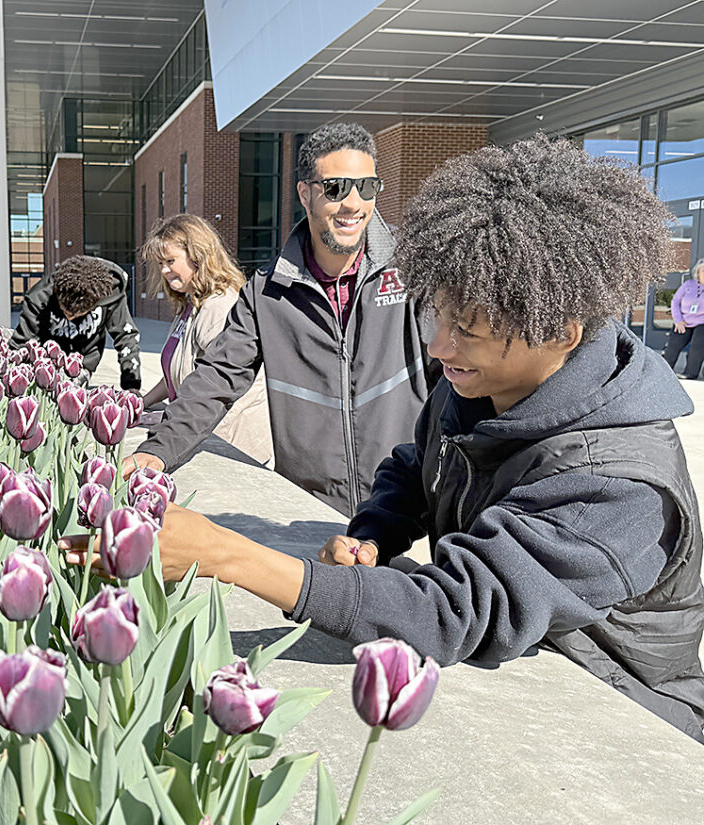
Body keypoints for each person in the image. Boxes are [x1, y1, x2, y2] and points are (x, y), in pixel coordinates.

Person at [65, 135, 704, 741]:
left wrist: (225, 555)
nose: (438, 347)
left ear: (561, 331)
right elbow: (415, 465)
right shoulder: (479, 386)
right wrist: (373, 534)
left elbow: (455, 611)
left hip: (621, 718)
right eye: (439, 318)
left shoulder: (618, 484)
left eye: (468, 331)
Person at [126, 123, 432, 516]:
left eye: (367, 187)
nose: (354, 203)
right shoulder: (266, 293)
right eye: (337, 188)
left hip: (411, 512)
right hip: (314, 516)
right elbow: (217, 377)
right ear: (305, 194)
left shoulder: (414, 269)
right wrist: (156, 452)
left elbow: (456, 379)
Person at [140, 214, 272, 466]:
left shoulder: (221, 306)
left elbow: (220, 383)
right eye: (160, 263)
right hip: (201, 432)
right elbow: (178, 374)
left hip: (231, 446)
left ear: (198, 256)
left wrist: (172, 420)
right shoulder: (190, 304)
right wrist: (143, 403)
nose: (164, 270)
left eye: (170, 261)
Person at [11, 255, 142, 391]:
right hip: (46, 366)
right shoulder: (39, 297)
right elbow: (22, 343)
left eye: (76, 314)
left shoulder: (110, 294)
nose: (70, 318)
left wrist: (131, 385)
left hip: (84, 362)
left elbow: (126, 337)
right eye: (64, 311)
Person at [663, 259, 704, 379]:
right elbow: (675, 302)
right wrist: (678, 320)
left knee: (697, 346)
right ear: (698, 272)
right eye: (703, 270)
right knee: (672, 345)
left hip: (702, 323)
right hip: (684, 321)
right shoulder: (688, 285)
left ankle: (690, 373)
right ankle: (664, 371)